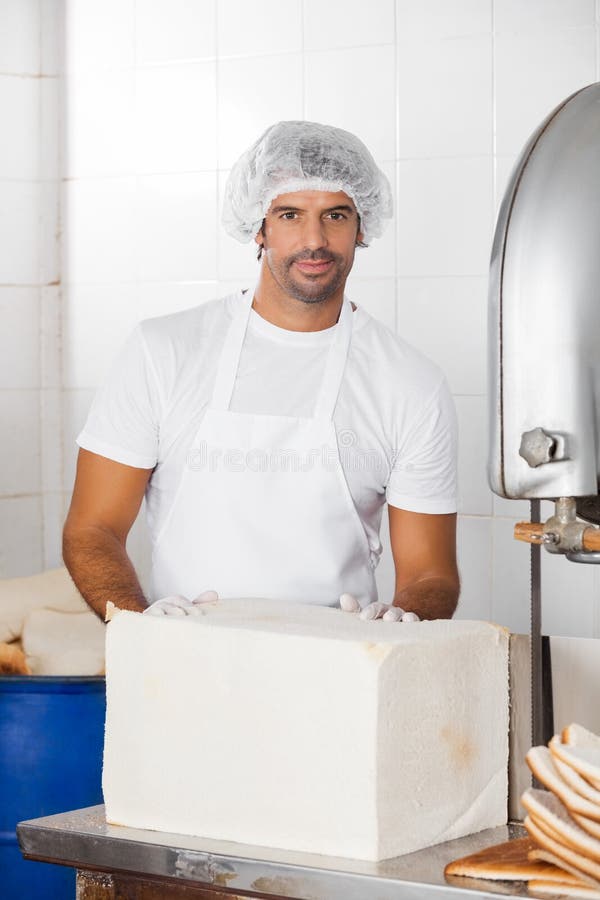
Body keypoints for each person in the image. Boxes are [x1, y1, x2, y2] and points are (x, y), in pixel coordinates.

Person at [63, 120, 459, 623]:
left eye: (335, 215)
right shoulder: (162, 351)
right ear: (259, 224)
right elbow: (91, 528)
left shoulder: (410, 383)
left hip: (339, 672)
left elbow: (431, 575)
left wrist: (407, 628)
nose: (314, 240)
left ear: (362, 227)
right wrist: (138, 628)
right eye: (290, 214)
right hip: (181, 668)